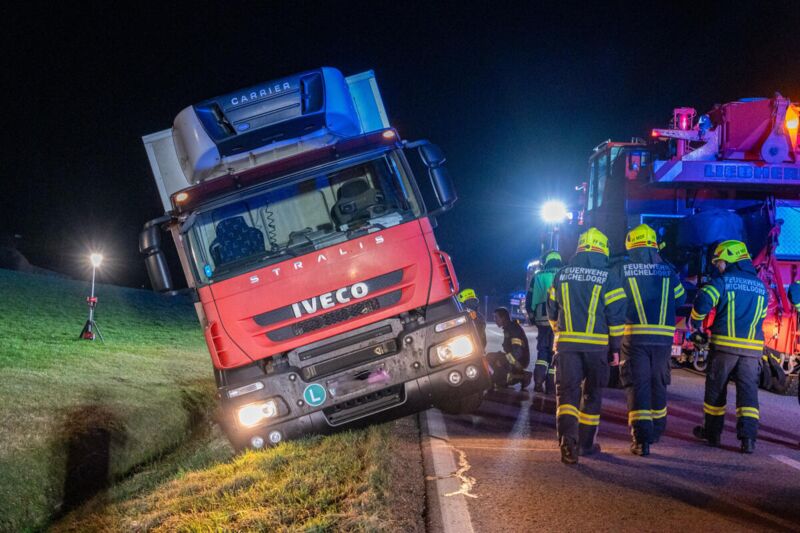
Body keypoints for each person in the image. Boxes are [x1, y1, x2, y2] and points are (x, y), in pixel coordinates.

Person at [547, 227, 626, 464]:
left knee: (567, 395)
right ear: (603, 250)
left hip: (567, 346)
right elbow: (616, 315)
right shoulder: (609, 276)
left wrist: (560, 334)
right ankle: (586, 444)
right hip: (597, 349)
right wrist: (615, 348)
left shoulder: (562, 274)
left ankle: (567, 444)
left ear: (579, 248)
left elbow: (551, 310)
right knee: (592, 395)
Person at [690, 240, 768, 454]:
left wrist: (695, 322)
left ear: (732, 258)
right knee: (748, 395)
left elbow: (704, 298)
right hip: (752, 351)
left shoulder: (724, 281)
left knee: (716, 391)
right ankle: (748, 439)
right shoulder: (760, 286)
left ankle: (712, 433)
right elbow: (762, 316)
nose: (718, 266)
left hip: (725, 347)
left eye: (720, 261)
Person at [615, 224, 685, 456]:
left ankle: (641, 440)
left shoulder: (623, 270)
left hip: (635, 337)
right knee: (658, 383)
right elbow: (681, 297)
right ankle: (657, 430)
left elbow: (614, 302)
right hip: (664, 340)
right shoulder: (667, 270)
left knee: (638, 385)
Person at [526, 250, 562, 394]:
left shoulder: (538, 275)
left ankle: (538, 382)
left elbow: (529, 297)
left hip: (542, 318)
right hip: (559, 319)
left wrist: (531, 315)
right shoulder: (563, 273)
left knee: (543, 351)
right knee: (555, 352)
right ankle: (551, 387)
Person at [486, 307, 532, 390]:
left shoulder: (514, 329)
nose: (494, 320)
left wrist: (502, 360)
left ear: (503, 318)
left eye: (496, 317)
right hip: (512, 358)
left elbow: (518, 353)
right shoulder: (509, 328)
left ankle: (522, 376)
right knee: (489, 357)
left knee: (500, 380)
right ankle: (504, 376)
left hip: (519, 361)